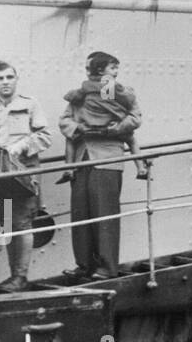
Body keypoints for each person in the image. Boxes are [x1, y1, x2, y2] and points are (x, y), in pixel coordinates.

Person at [58, 51, 141, 281]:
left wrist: (115, 129)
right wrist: (78, 128)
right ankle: (84, 264)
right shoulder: (81, 94)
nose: (87, 72)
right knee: (81, 213)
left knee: (104, 214)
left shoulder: (114, 90)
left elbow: (135, 117)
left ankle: (106, 267)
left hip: (107, 157)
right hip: (82, 157)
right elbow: (64, 120)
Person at [0, 61, 53, 293]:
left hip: (23, 175)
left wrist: (21, 146)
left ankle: (20, 278)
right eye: (0, 78)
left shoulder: (29, 105)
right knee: (6, 224)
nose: (5, 82)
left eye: (9, 77)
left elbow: (45, 136)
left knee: (22, 223)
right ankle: (13, 277)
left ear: (16, 79)